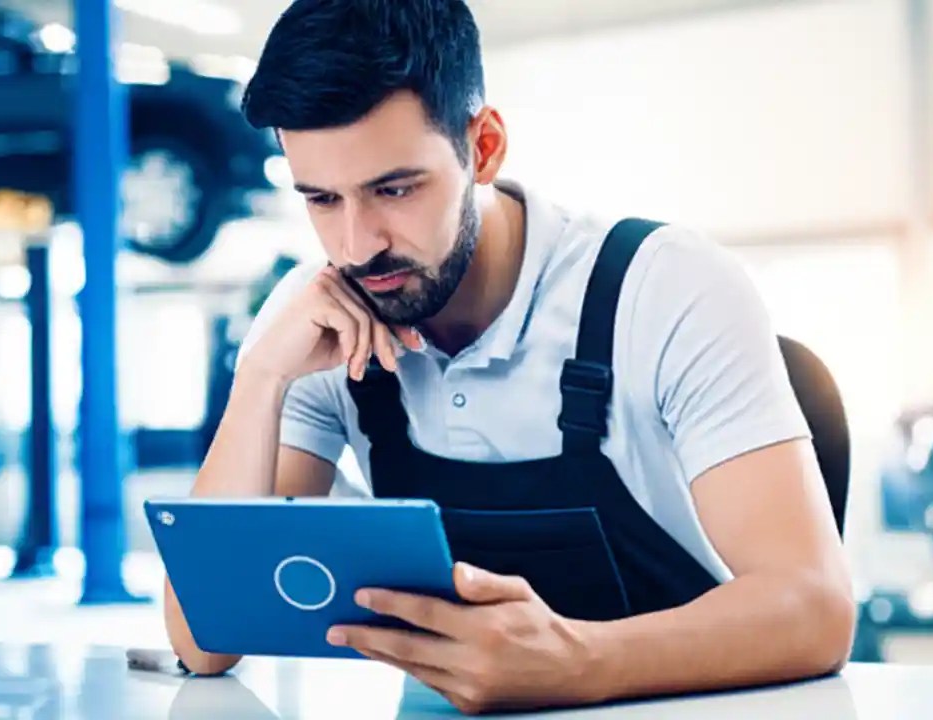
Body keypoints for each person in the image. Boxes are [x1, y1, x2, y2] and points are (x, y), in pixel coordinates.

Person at [164, 0, 854, 713]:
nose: (355, 245)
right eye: (321, 199)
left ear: (484, 147)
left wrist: (577, 664)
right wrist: (261, 378)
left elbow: (815, 607)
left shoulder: (663, 288)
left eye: (394, 189)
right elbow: (203, 639)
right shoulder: (318, 324)